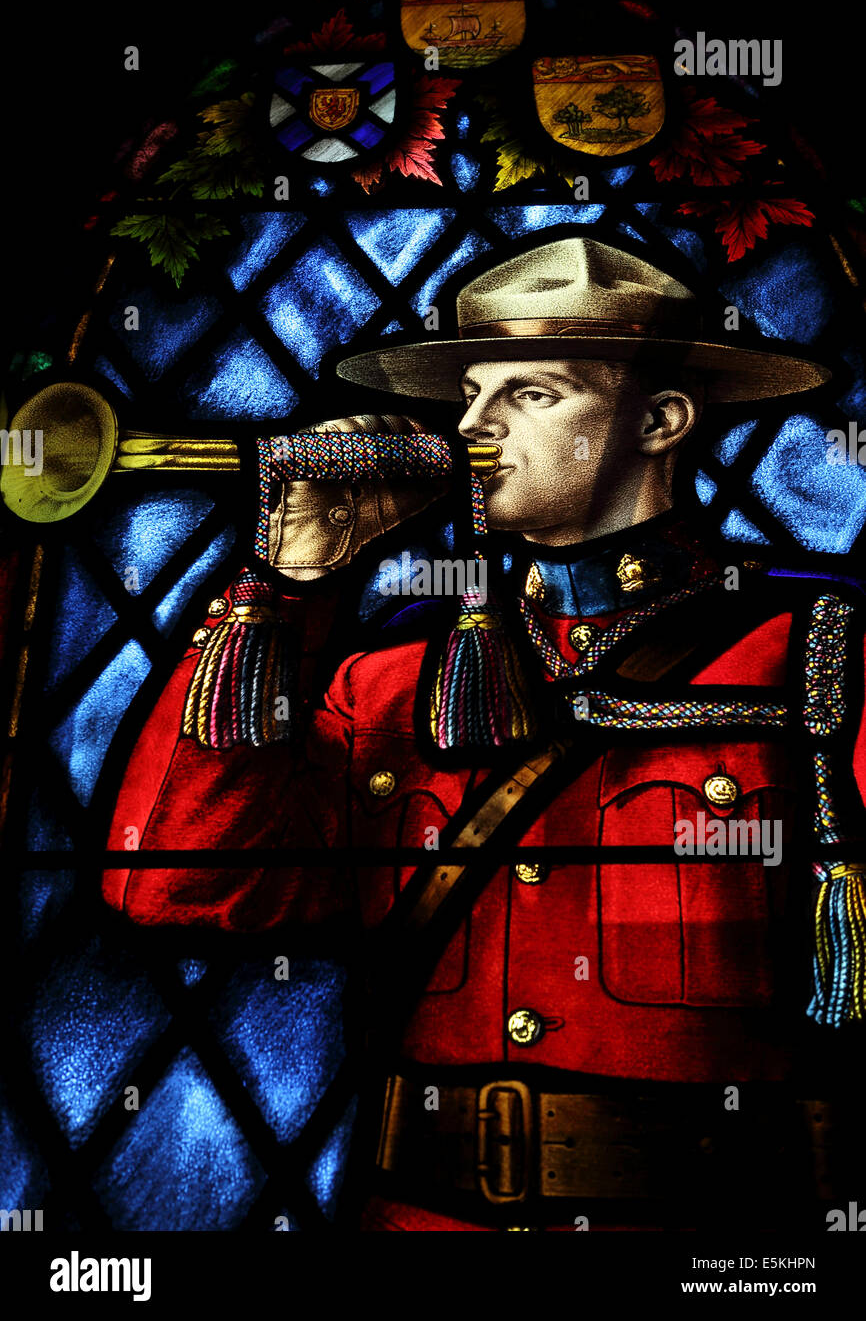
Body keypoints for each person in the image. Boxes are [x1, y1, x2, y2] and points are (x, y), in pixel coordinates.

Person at [104, 237, 866, 1230]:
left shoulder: (813, 655)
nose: (474, 428)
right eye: (469, 395)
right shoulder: (385, 685)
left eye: (531, 393)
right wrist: (292, 584)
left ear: (662, 420)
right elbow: (169, 887)